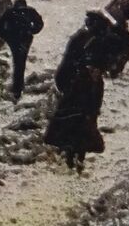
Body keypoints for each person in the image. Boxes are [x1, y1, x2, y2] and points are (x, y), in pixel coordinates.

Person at [43, 12, 110, 172]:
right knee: (84, 120)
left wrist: (63, 81)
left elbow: (67, 62)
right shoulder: (96, 42)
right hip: (84, 87)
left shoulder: (81, 39)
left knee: (76, 120)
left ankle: (73, 155)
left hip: (79, 86)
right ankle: (77, 156)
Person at [0, 0, 45, 100]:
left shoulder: (27, 11)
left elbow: (39, 23)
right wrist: (8, 37)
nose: (21, 11)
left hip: (23, 39)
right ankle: (17, 89)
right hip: (16, 40)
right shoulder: (12, 12)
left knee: (19, 63)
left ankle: (17, 89)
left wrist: (31, 31)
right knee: (19, 63)